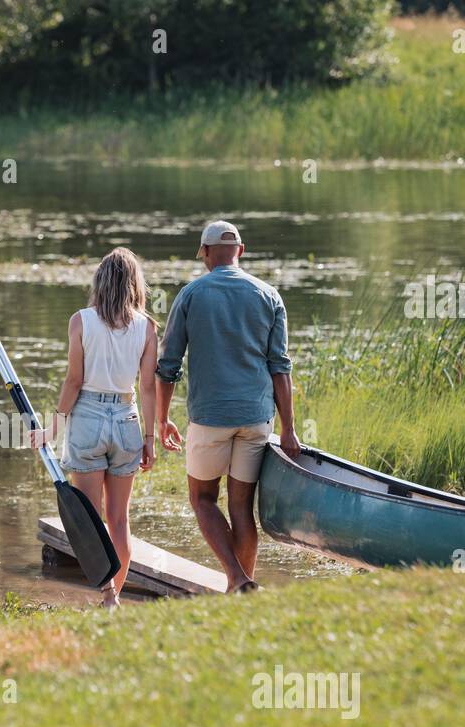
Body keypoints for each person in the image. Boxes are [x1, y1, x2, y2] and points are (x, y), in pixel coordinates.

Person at [155, 220, 301, 594]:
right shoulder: (269, 295)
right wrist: (289, 430)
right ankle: (243, 589)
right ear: (242, 250)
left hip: (210, 418)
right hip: (256, 417)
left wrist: (162, 418)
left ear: (204, 253)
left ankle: (237, 579)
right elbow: (280, 366)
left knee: (202, 498)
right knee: (241, 507)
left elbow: (168, 365)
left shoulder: (191, 295)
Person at [31, 247, 158, 608]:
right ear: (135, 284)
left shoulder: (81, 321)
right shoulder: (147, 327)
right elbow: (148, 387)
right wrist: (149, 438)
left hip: (87, 418)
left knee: (91, 519)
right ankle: (112, 597)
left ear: (100, 282)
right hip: (127, 418)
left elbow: (74, 381)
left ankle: (107, 596)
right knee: (120, 521)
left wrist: (52, 427)